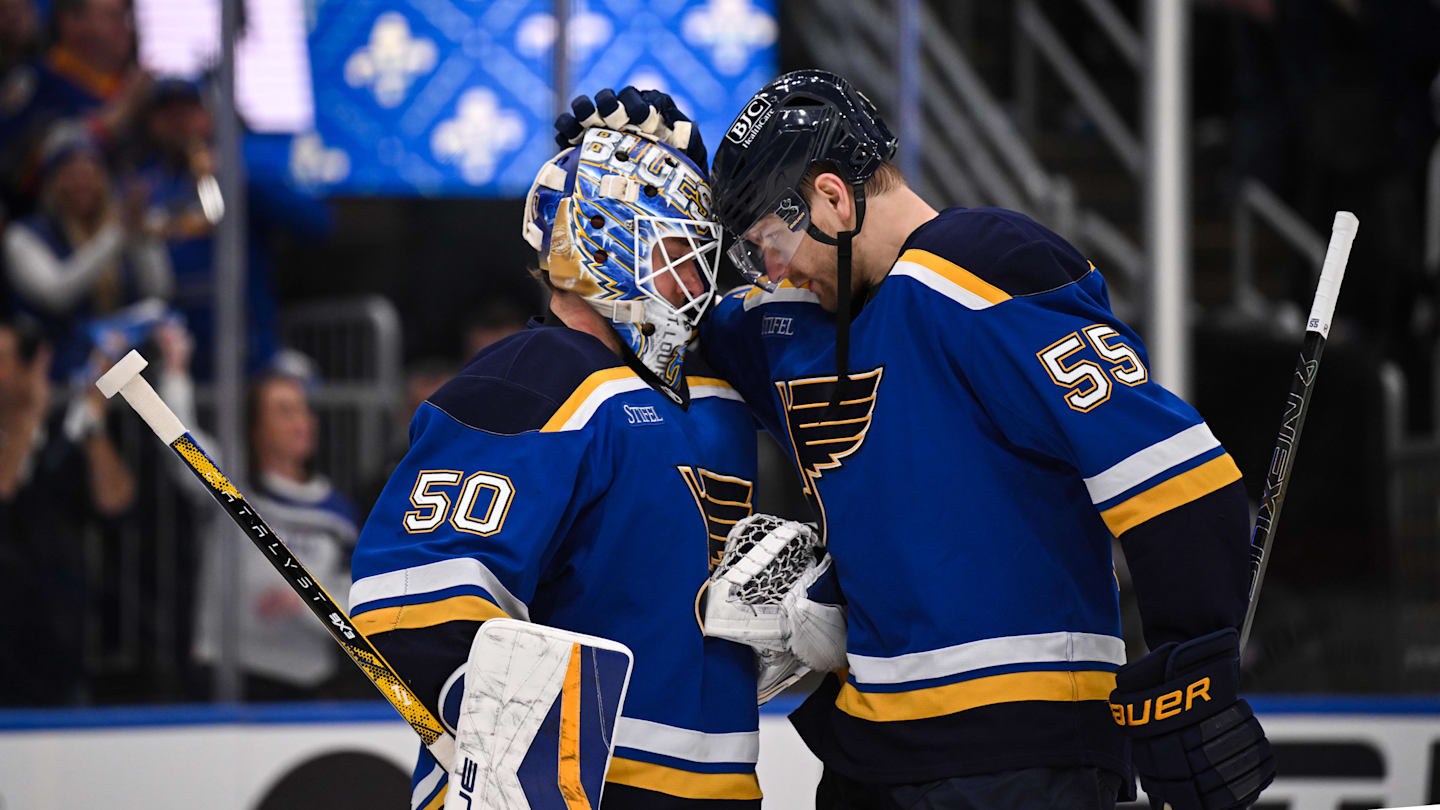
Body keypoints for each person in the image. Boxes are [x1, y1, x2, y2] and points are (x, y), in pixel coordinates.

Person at [558, 75, 1276, 809]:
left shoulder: (980, 267)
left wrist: (1192, 674)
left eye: (770, 242)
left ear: (834, 197)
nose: (770, 269)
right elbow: (676, 307)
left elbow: (1172, 472)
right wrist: (654, 174)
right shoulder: (792, 327)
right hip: (866, 762)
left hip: (1021, 758)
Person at [349, 127, 766, 809]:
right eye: (676, 259)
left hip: (716, 787)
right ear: (606, 252)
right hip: (581, 789)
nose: (697, 287)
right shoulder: (537, 377)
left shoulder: (710, 393)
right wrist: (511, 749)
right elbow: (418, 594)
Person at [0, 316, 137, 705]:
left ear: (35, 365)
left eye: (3, 359)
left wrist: (92, 426)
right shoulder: (27, 431)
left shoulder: (65, 433)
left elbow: (117, 503)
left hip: (58, 640)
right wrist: (26, 422)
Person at [3, 124, 170, 380]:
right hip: (55, 378)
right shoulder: (24, 236)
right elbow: (57, 294)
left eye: (90, 174)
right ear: (52, 182)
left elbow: (158, 289)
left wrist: (142, 236)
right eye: (70, 175)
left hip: (124, 373)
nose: (82, 184)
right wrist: (119, 233)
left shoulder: (115, 228)